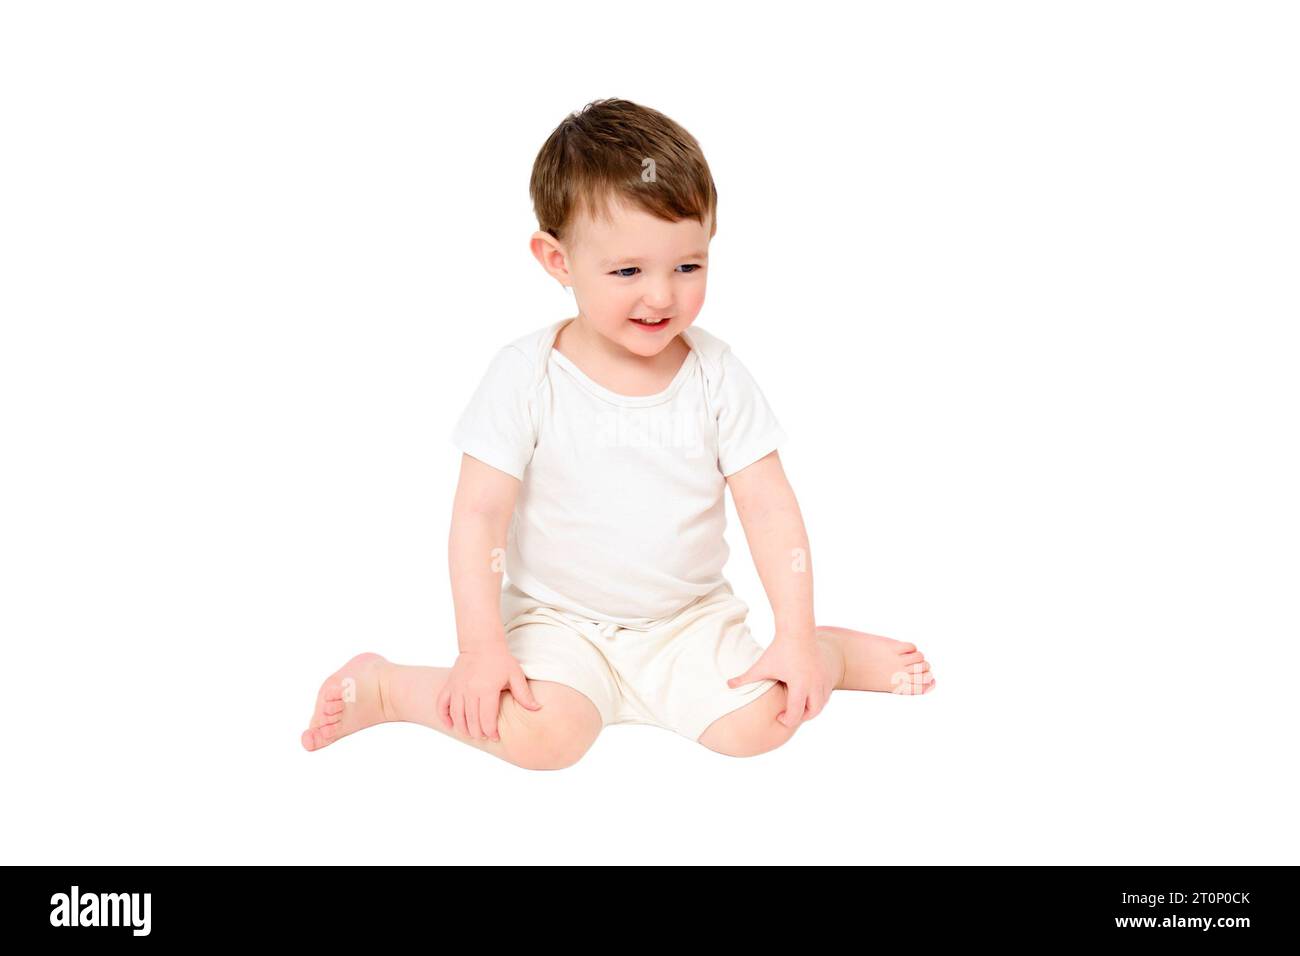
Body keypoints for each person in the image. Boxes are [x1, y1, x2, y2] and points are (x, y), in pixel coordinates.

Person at [301, 98, 934, 769]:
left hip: (687, 621)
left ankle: (827, 652)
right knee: (544, 738)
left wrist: (795, 634)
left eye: (687, 266)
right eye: (628, 271)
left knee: (761, 725)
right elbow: (479, 517)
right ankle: (389, 687)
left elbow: (770, 507)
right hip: (558, 624)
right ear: (557, 259)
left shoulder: (716, 374)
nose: (662, 296)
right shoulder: (526, 375)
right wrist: (480, 650)